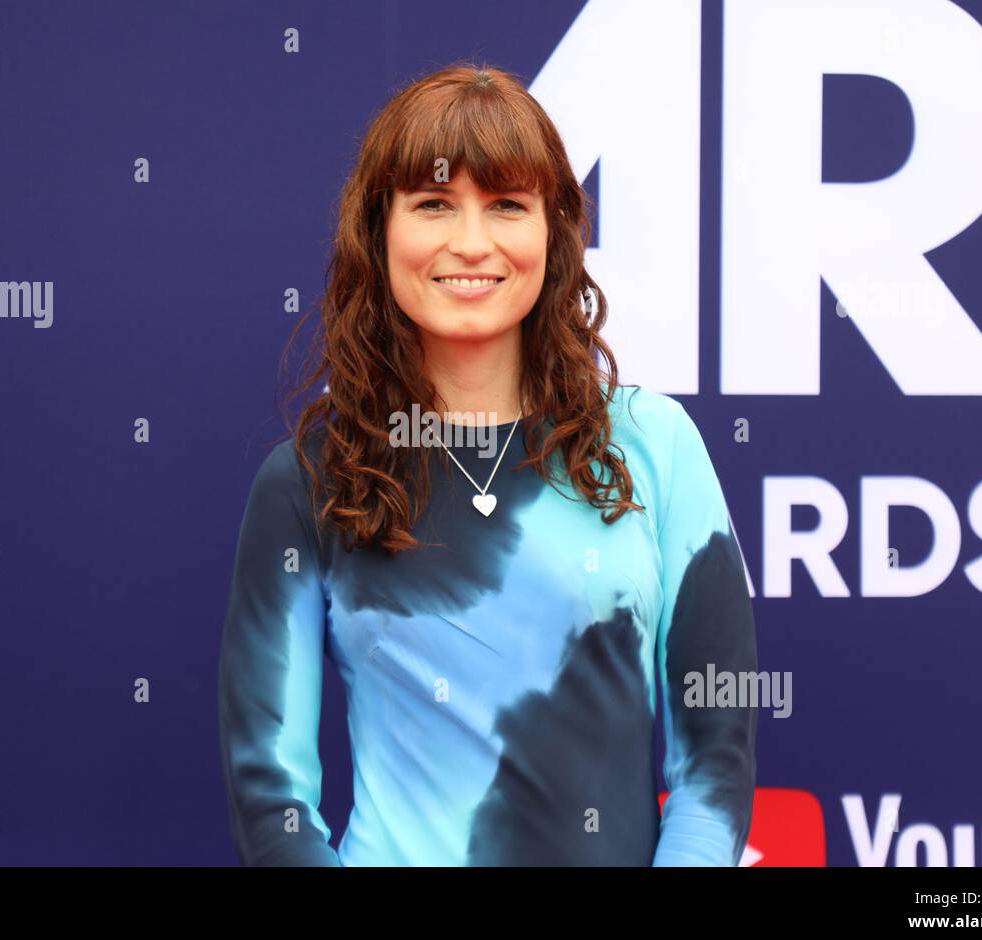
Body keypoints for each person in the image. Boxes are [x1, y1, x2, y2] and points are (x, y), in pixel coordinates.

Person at [218, 62, 757, 866]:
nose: (471, 243)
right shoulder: (306, 479)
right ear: (379, 230)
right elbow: (271, 792)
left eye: (507, 204)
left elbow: (716, 762)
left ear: (555, 233)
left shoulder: (657, 445)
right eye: (433, 204)